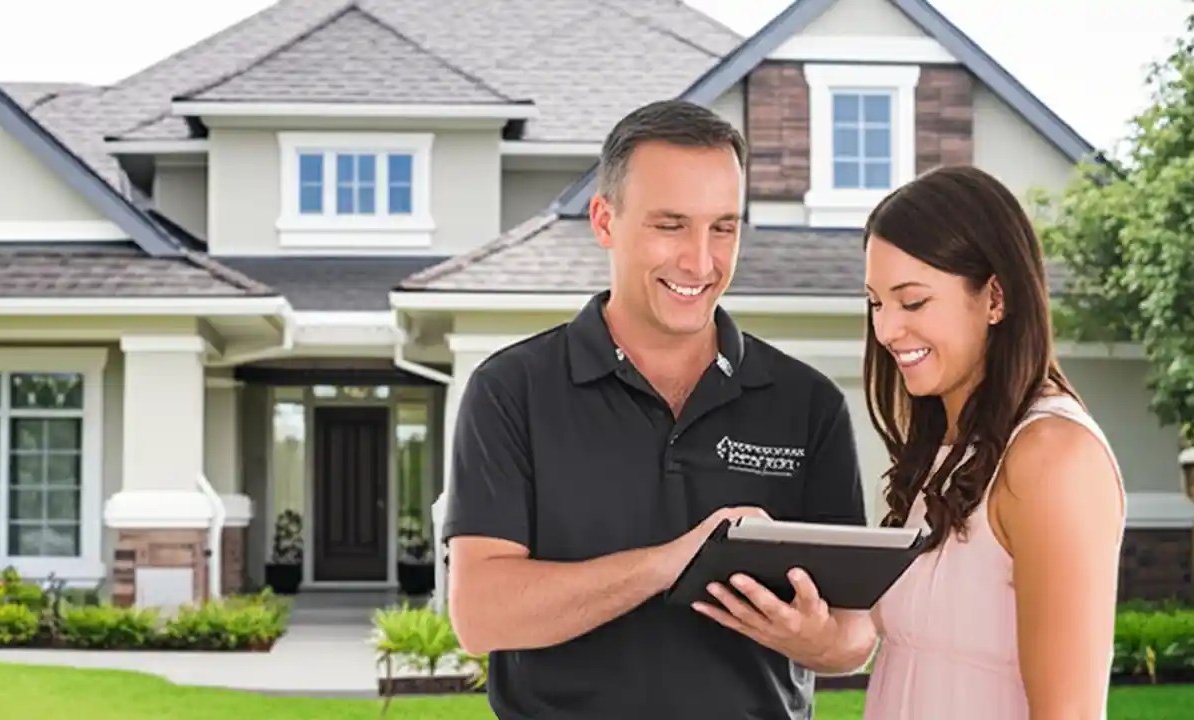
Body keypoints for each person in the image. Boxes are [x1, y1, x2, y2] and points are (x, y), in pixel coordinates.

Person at [442, 98, 877, 720]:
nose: (701, 261)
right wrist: (673, 562)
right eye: (670, 226)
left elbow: (853, 637)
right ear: (604, 221)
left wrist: (815, 640)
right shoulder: (511, 391)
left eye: (722, 227)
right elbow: (481, 615)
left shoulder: (808, 405)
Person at [859, 165, 1126, 720]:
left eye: (911, 303)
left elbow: (1068, 714)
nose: (886, 330)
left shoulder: (1051, 457)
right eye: (876, 303)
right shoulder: (945, 454)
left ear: (995, 297)